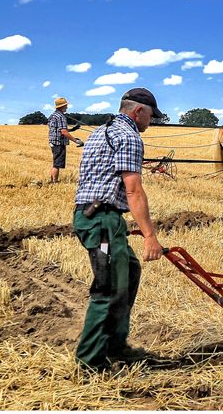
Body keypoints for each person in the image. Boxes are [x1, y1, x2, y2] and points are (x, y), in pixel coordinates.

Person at [73, 87, 164, 372]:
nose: (151, 122)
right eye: (151, 116)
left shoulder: (101, 132)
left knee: (130, 271)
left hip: (96, 216)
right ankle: (90, 362)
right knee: (108, 287)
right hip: (103, 221)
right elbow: (134, 190)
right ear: (138, 112)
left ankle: (116, 344)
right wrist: (150, 236)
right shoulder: (129, 136)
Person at [48, 97, 84, 183]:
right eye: (66, 105)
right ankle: (55, 182)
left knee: (56, 162)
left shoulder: (53, 115)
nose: (67, 107)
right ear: (62, 106)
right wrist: (76, 140)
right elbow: (63, 132)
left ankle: (52, 180)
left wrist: (74, 129)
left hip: (53, 142)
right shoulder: (61, 117)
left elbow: (59, 129)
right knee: (57, 163)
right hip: (59, 142)